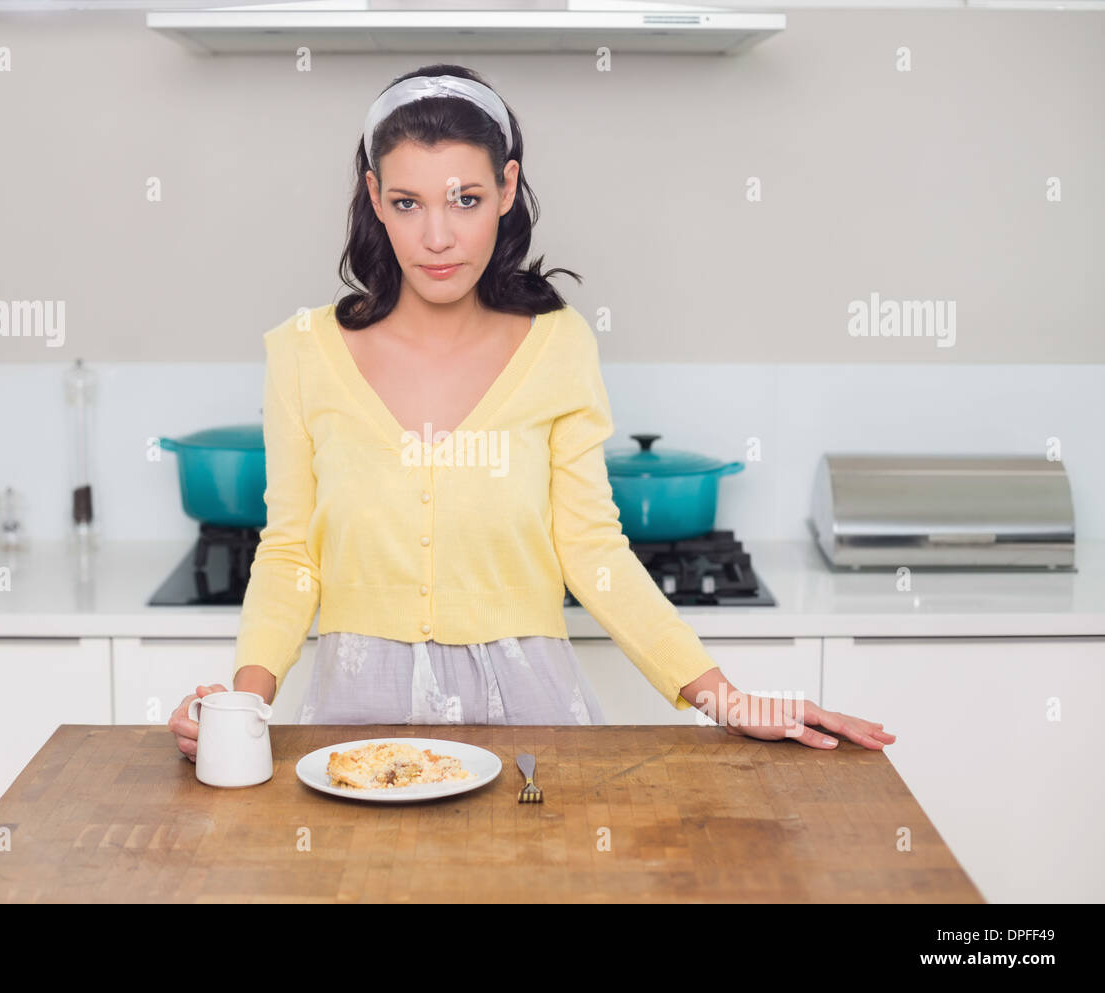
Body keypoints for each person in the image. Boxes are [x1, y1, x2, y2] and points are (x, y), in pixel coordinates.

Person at [172, 64, 895, 757]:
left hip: (531, 714)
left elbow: (592, 548)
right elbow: (291, 551)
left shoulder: (558, 343)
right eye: (406, 202)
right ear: (373, 193)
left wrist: (729, 701)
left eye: (465, 199)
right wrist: (243, 706)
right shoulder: (304, 352)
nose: (437, 238)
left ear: (507, 186)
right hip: (355, 712)